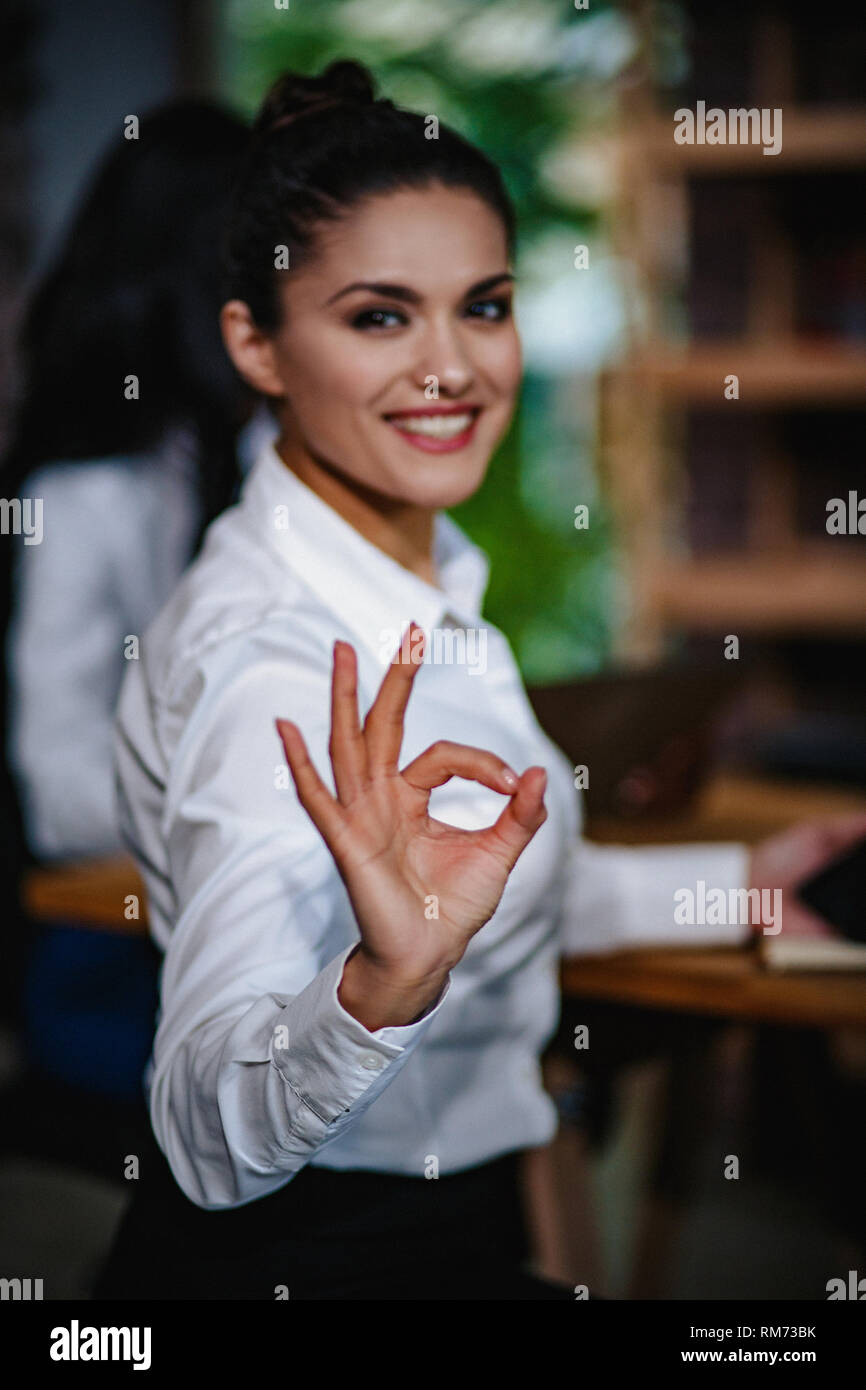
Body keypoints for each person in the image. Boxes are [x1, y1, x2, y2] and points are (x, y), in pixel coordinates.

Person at [93, 60, 866, 1300]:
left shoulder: (412, 581)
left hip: (449, 1224)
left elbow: (486, 894)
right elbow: (200, 1128)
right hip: (312, 1256)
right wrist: (376, 987)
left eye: (485, 305)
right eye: (379, 316)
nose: (451, 366)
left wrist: (737, 891)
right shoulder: (281, 664)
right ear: (257, 343)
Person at [0, 100, 272, 1101]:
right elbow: (61, 796)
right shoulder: (79, 500)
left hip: (252, 926)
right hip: (112, 950)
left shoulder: (252, 458)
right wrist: (255, 806)